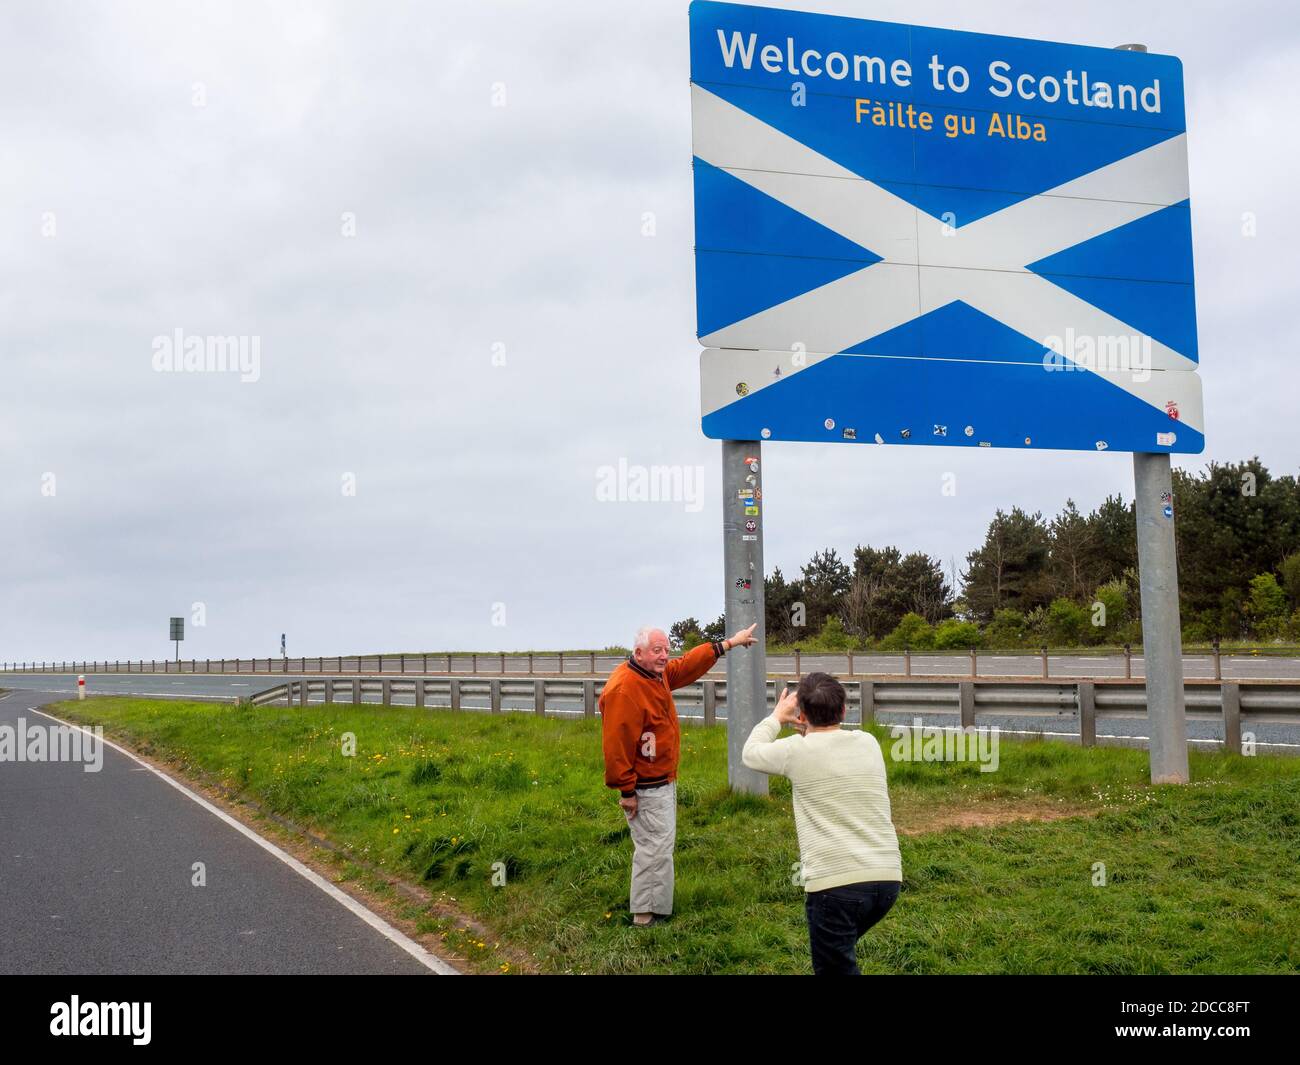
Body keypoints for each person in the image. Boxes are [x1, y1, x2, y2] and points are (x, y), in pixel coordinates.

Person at [742, 671, 902, 974]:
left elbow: (750, 753)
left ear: (800, 714)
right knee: (839, 957)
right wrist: (808, 726)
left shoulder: (794, 751)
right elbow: (827, 746)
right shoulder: (868, 742)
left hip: (835, 887)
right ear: (844, 710)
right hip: (887, 880)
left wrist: (778, 716)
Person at [599, 622, 758, 926]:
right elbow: (616, 746)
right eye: (657, 650)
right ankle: (645, 917)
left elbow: (686, 666)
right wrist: (627, 791)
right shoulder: (625, 688)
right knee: (653, 848)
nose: (664, 656)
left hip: (661, 780)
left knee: (660, 845)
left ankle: (656, 910)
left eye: (666, 650)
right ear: (638, 652)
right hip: (646, 786)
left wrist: (729, 644)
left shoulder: (653, 676)